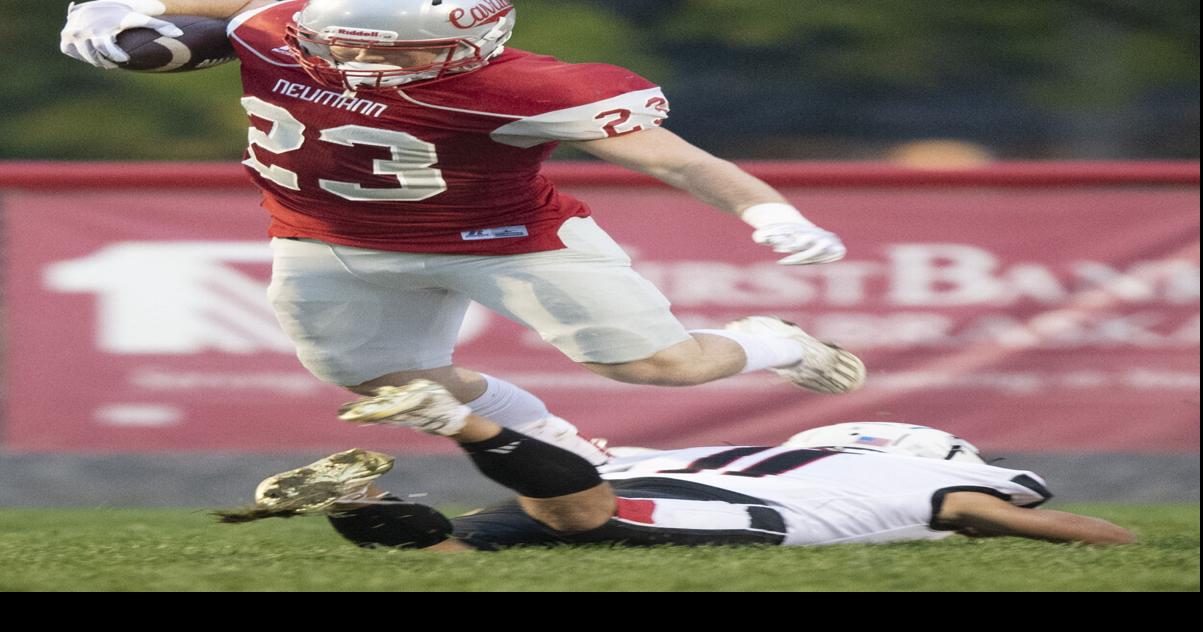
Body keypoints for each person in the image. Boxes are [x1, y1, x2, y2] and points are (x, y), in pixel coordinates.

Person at [60, 0, 866, 462]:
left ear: (463, 44)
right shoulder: (287, 27)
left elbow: (678, 162)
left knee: (659, 366)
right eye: (335, 38)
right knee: (382, 378)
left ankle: (775, 343)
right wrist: (106, 12)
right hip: (324, 238)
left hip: (506, 239)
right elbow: (193, 8)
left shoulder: (530, 88)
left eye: (376, 49)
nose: (343, 56)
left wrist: (769, 211)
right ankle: (558, 444)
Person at [217, 381, 1136, 550]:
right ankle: (457, 422)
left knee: (464, 550)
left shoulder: (799, 449)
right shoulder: (937, 477)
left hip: (671, 472)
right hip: (736, 511)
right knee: (579, 517)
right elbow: (1027, 520)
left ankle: (363, 503)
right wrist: (1123, 542)